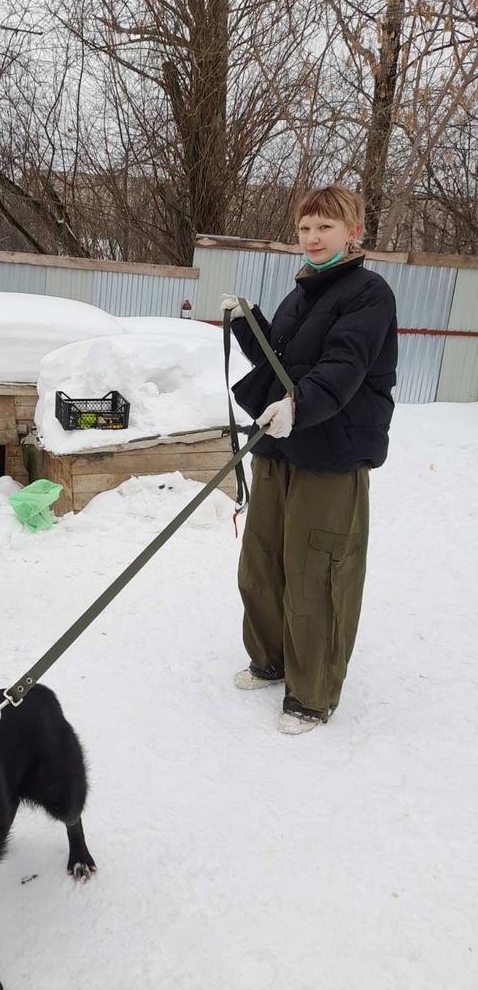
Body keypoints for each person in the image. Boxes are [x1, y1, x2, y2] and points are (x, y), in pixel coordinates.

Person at [221, 185, 397, 734]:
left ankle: (312, 693)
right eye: (305, 228)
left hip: (332, 453)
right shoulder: (304, 292)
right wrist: (248, 325)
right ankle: (272, 660)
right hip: (279, 448)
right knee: (263, 562)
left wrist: (299, 406)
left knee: (315, 574)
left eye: (325, 227)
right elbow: (283, 360)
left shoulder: (369, 293)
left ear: (353, 232)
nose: (313, 238)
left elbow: (342, 366)